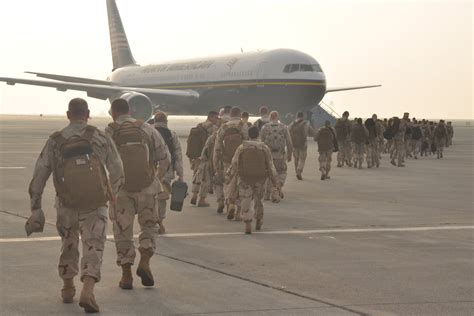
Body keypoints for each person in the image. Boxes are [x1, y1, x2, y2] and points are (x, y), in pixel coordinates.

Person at [26, 98, 124, 313]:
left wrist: (36, 207)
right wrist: (112, 195)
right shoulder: (100, 136)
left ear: (68, 115)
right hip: (95, 203)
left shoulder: (56, 140)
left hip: (66, 204)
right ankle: (88, 289)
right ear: (87, 114)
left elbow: (39, 175)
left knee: (68, 243)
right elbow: (117, 170)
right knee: (94, 245)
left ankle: (68, 287)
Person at [106, 99, 170, 291]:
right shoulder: (147, 129)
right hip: (147, 188)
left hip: (121, 191)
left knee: (122, 231)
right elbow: (165, 159)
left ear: (113, 112)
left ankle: (126, 276)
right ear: (130, 111)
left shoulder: (109, 131)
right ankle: (145, 261)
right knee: (149, 227)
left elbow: (98, 162)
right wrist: (154, 179)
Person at [227, 126, 278, 234]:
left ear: (248, 135)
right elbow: (270, 164)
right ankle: (259, 219)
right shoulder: (264, 147)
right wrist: (274, 180)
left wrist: (231, 175)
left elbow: (234, 163)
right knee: (259, 200)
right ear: (258, 134)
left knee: (246, 199)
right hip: (260, 178)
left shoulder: (242, 147)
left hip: (245, 178)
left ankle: (248, 222)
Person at [213, 106, 249, 219]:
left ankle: (230, 204)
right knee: (240, 184)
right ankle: (238, 212)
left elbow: (217, 147)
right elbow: (248, 143)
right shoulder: (244, 126)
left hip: (227, 160)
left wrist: (216, 164)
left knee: (228, 183)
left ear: (230, 115)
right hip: (241, 160)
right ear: (239, 114)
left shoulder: (224, 127)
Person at [154, 111, 184, 227]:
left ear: (155, 121)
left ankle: (151, 220)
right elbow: (177, 154)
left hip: (149, 171)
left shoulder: (148, 132)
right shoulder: (172, 134)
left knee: (150, 196)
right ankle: (160, 220)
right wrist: (180, 173)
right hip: (166, 171)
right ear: (166, 122)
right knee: (162, 197)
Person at [260, 111, 293, 199]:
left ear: (270, 118)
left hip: (268, 156)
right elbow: (289, 142)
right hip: (280, 156)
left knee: (268, 174)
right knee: (282, 172)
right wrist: (290, 154)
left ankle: (267, 194)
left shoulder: (264, 127)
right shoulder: (283, 127)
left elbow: (261, 143)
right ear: (278, 118)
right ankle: (277, 187)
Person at [188, 111, 218, 205]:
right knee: (206, 178)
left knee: (197, 175)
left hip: (197, 156)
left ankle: (194, 195)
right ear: (212, 117)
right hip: (206, 156)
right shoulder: (214, 128)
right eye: (216, 118)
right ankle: (202, 199)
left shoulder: (199, 125)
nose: (217, 120)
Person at [288, 111, 314, 180]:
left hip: (294, 144)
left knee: (296, 159)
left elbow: (288, 131)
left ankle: (296, 171)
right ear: (303, 116)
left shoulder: (292, 123)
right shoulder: (306, 123)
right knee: (302, 159)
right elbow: (312, 132)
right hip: (303, 144)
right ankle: (299, 170)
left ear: (297, 116)